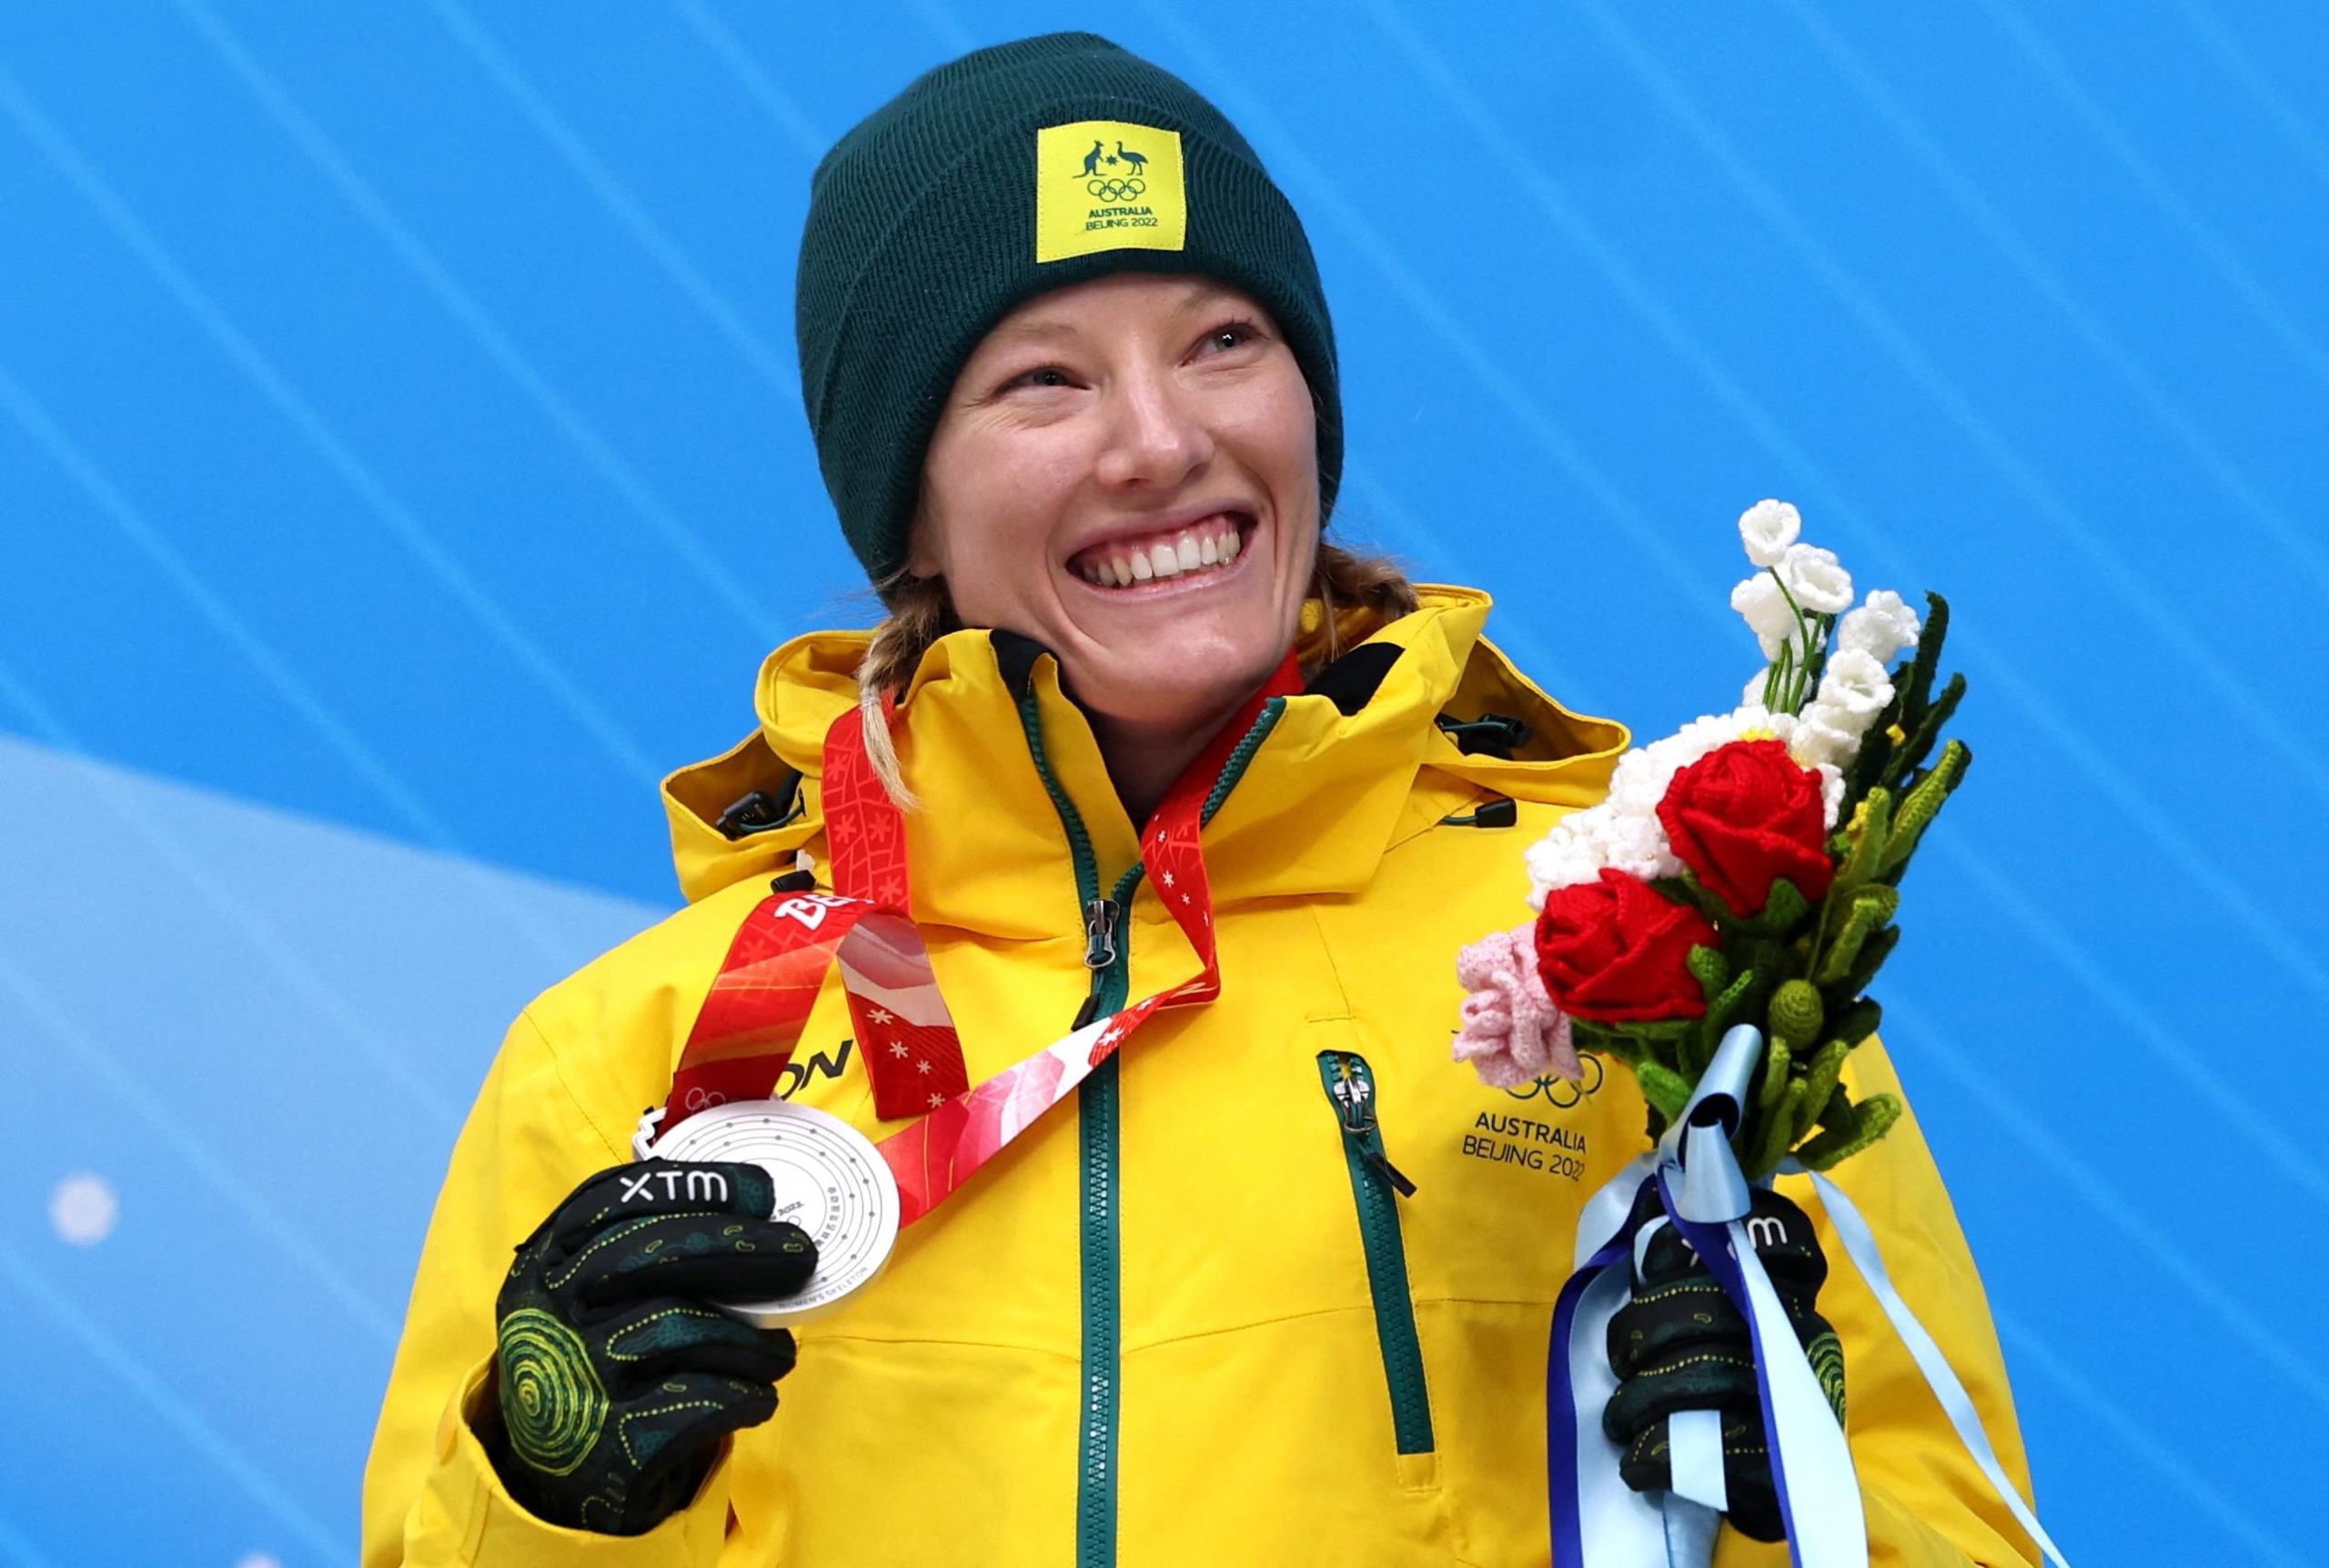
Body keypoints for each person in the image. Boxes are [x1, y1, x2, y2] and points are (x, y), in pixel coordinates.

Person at [363, 31, 2042, 1568]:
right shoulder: (651, 1061)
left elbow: (1959, 1531)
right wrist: (546, 1502)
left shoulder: (1638, 954)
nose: (1160, 443)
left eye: (1222, 342)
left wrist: (1794, 1509)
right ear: (910, 517)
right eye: (1044, 379)